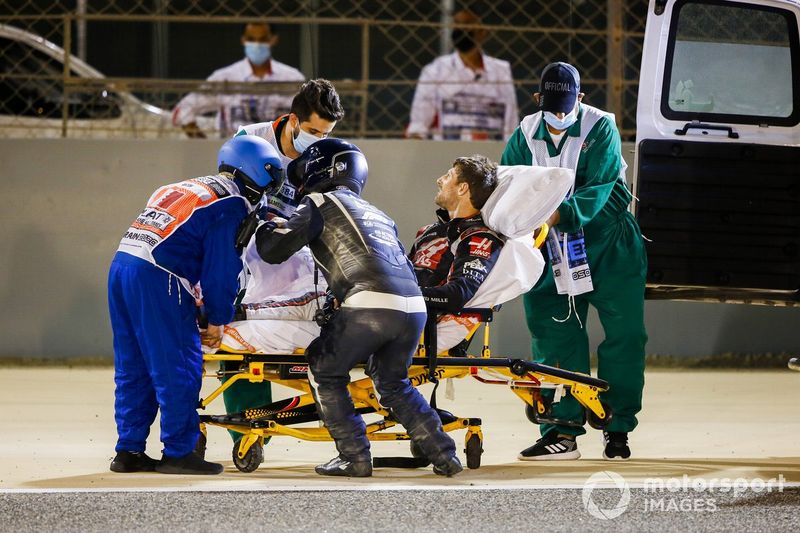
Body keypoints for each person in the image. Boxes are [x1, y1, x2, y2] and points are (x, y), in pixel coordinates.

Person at [254, 138, 463, 477]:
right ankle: (445, 456)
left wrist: (264, 222)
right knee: (394, 383)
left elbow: (273, 250)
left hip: (369, 304)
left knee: (323, 367)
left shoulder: (319, 200)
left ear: (321, 168)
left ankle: (355, 456)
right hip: (414, 308)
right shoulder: (379, 213)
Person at [107, 135, 284, 475]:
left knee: (134, 366)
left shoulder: (182, 186)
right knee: (179, 366)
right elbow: (220, 271)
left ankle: (128, 451)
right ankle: (179, 452)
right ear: (256, 175)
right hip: (160, 275)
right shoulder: (230, 206)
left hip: (122, 266)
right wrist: (216, 319)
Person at [500, 62, 648, 461]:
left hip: (608, 243)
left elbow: (599, 187)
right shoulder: (525, 133)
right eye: (553, 106)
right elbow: (509, 183)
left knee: (626, 335)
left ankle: (616, 425)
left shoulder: (601, 127)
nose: (560, 115)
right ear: (538, 100)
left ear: (579, 98)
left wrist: (552, 214)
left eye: (567, 106)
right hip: (549, 247)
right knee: (554, 332)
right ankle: (561, 430)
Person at [218, 79, 344, 445]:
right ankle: (245, 424)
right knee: (238, 322)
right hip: (249, 246)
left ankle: (315, 400)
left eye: (326, 133)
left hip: (295, 248)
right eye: (312, 131)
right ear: (292, 120)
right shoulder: (251, 139)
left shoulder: (327, 153)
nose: (317, 140)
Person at [412, 156, 504, 350]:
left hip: (415, 324)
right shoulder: (427, 231)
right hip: (394, 311)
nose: (439, 180)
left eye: (448, 176)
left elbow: (458, 294)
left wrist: (407, 296)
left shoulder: (479, 237)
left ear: (463, 188)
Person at [172, 22, 305, 138]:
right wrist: (202, 143)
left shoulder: (292, 78)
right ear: (243, 40)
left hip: (279, 154)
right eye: (251, 39)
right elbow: (184, 110)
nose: (257, 44)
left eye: (263, 39)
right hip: (235, 155)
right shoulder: (226, 78)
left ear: (273, 40)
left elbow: (307, 119)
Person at [406, 9, 518, 141]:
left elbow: (510, 122)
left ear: (482, 32)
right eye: (457, 24)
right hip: (447, 153)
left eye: (467, 24)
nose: (460, 28)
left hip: (492, 152)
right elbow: (419, 124)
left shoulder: (501, 70)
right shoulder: (435, 70)